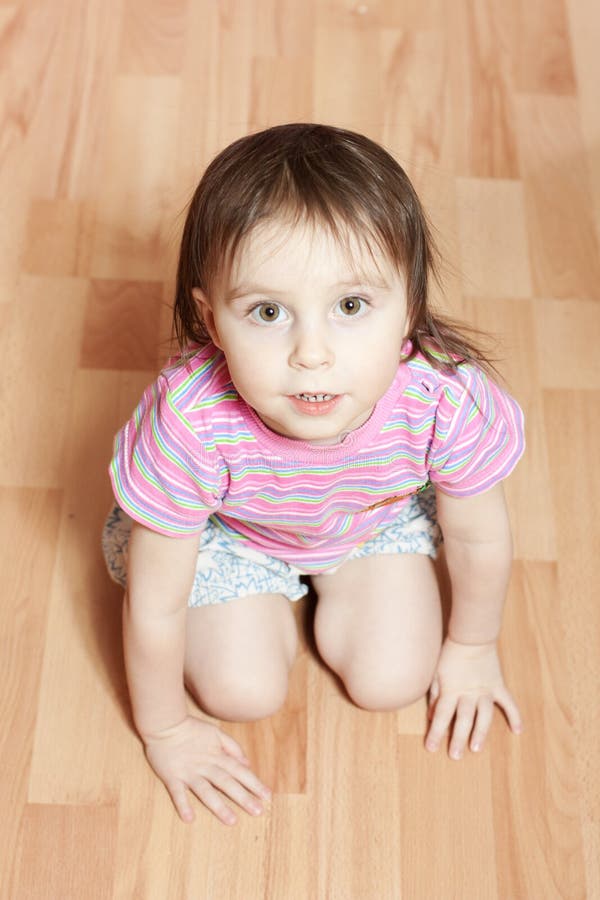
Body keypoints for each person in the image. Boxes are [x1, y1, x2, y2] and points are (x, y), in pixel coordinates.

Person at [102, 123, 525, 827]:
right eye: (268, 313)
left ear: (410, 306)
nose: (312, 354)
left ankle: (340, 586)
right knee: (242, 691)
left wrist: (473, 646)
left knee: (394, 678)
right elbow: (154, 602)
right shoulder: (192, 423)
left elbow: (480, 538)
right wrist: (165, 730)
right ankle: (267, 603)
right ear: (211, 319)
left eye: (352, 307)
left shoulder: (443, 396)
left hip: (372, 521)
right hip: (231, 538)